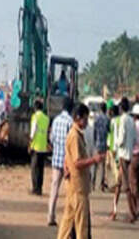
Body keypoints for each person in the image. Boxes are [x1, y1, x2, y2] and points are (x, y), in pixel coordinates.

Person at [57, 103, 105, 239]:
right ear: (78, 118)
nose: (86, 121)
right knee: (81, 226)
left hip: (74, 186)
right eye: (85, 118)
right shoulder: (75, 136)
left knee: (67, 224)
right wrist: (94, 160)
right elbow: (77, 162)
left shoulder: (75, 134)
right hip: (78, 188)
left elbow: (68, 157)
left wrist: (67, 166)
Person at [47, 97, 75, 226]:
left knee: (54, 189)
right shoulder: (71, 122)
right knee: (69, 192)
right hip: (68, 162)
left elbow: (51, 139)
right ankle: (68, 220)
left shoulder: (56, 120)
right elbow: (72, 142)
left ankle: (50, 216)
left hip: (56, 160)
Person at [112, 97, 137, 222]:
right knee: (119, 184)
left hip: (122, 155)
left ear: (121, 108)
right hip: (129, 154)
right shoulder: (132, 120)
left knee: (125, 186)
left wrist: (115, 143)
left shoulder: (123, 120)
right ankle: (115, 210)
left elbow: (121, 140)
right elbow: (135, 139)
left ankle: (132, 213)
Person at [29, 99, 50, 195]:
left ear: (35, 108)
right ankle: (40, 189)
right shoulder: (46, 118)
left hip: (36, 147)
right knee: (41, 169)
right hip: (43, 147)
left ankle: (35, 189)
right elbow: (47, 133)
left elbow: (33, 132)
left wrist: (30, 144)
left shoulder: (35, 117)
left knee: (34, 169)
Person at [91, 102, 110, 192]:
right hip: (104, 144)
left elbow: (94, 131)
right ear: (105, 109)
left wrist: (94, 142)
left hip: (97, 143)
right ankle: (101, 185)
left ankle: (93, 183)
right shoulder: (107, 119)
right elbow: (109, 131)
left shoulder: (96, 119)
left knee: (95, 164)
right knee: (102, 166)